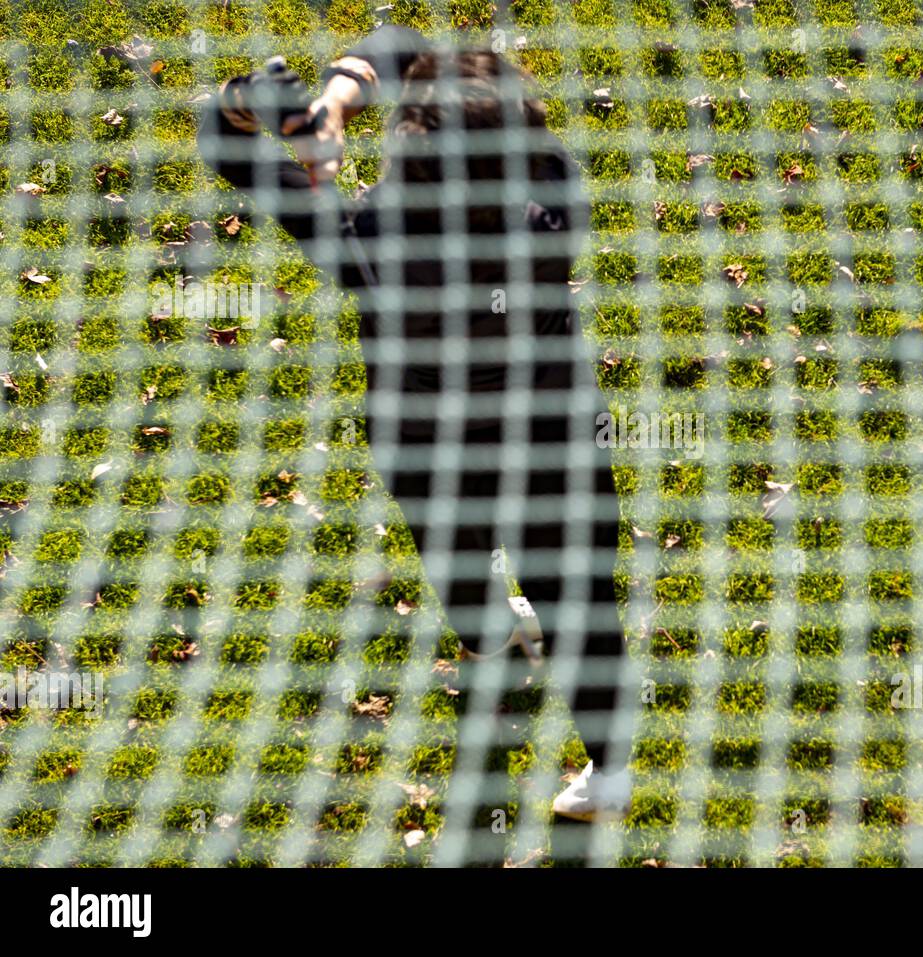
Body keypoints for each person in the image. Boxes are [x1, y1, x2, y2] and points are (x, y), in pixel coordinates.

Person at [196, 25, 629, 838]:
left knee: (459, 568)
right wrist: (344, 97)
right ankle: (611, 771)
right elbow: (434, 60)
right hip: (554, 441)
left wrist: (291, 104)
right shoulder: (556, 194)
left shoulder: (369, 243)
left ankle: (491, 639)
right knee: (580, 604)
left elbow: (221, 144)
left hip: (430, 449)